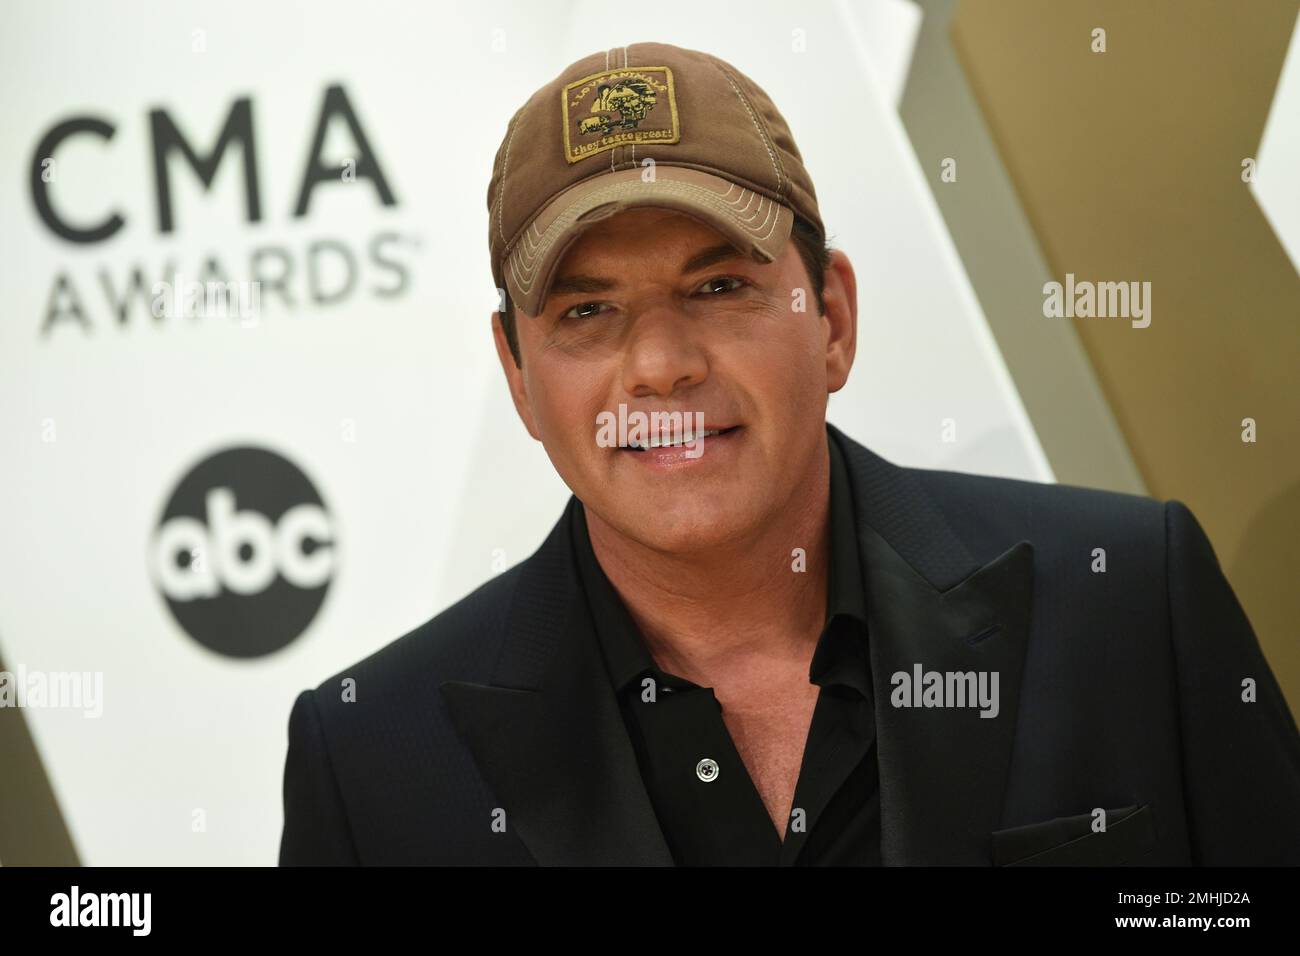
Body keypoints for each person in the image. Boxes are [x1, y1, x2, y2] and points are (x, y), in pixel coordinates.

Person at [279, 41, 1300, 866]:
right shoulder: (375, 760)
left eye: (718, 286)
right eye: (587, 310)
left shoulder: (1125, 600)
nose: (662, 365)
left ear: (834, 319)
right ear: (517, 374)